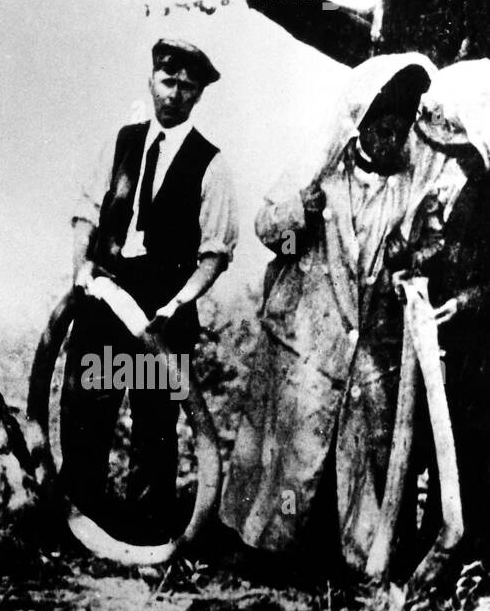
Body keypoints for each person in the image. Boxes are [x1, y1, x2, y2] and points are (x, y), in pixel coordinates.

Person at [220, 54, 435, 574]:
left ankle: (354, 561)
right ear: (361, 119)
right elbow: (271, 233)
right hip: (306, 343)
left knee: (361, 459)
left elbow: (426, 252)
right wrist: (302, 209)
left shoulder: (415, 185)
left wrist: (417, 254)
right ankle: (267, 554)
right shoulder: (320, 170)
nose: (392, 133)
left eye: (402, 121)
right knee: (293, 453)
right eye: (383, 119)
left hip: (371, 352)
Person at [64, 38, 237, 541]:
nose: (175, 94)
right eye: (168, 81)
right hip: (105, 297)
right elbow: (86, 213)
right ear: (152, 81)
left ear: (199, 95)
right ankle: (81, 523)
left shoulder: (212, 164)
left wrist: (179, 302)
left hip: (164, 309)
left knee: (154, 422)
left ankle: (148, 534)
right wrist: (81, 272)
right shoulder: (121, 143)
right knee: (87, 410)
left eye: (188, 86)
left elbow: (215, 254)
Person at [400, 60, 490, 580]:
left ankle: (472, 562)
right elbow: (453, 252)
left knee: (479, 453)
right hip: (465, 349)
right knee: (450, 451)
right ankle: (445, 548)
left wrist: (470, 300)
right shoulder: (472, 191)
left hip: (486, 350)